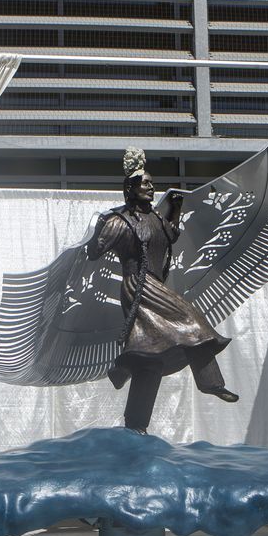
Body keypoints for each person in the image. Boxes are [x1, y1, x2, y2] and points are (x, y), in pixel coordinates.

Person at [86, 147, 237, 432]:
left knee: (149, 362)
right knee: (190, 318)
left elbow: (170, 234)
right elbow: (94, 251)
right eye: (145, 183)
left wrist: (177, 207)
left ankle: (136, 425)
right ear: (130, 188)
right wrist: (99, 226)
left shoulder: (156, 219)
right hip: (138, 287)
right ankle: (211, 383)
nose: (151, 186)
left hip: (154, 284)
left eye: (152, 183)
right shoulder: (120, 221)